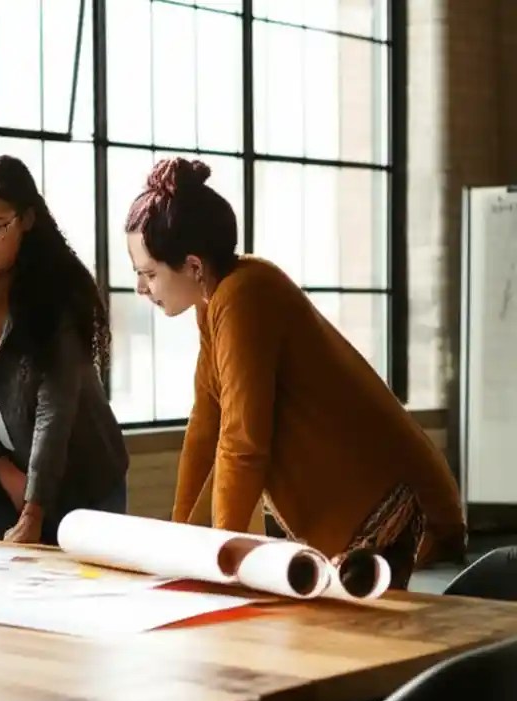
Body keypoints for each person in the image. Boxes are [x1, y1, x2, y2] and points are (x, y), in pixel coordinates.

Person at [124, 156, 465, 589]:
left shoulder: (244, 295)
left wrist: (217, 557)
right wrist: (180, 542)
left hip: (380, 501)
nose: (140, 288)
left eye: (148, 274)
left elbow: (242, 442)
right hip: (344, 503)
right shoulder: (213, 302)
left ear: (193, 266)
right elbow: (206, 425)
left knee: (358, 645)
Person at [0, 155, 130, 546]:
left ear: (27, 220)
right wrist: (5, 472)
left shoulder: (59, 300)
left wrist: (35, 507)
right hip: (2, 483)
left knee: (82, 599)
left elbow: (55, 411)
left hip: (83, 482)